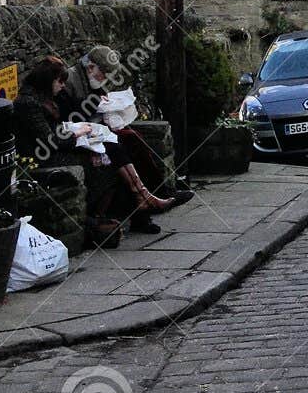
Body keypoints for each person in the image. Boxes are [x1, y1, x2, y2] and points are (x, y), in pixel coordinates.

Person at [14, 56, 135, 248]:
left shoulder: (41, 98)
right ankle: (95, 220)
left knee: (108, 155)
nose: (62, 86)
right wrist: (77, 133)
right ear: (48, 80)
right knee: (102, 163)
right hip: (41, 158)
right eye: (60, 81)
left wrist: (76, 132)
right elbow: (49, 141)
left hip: (50, 151)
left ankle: (99, 217)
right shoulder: (29, 103)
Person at [67, 45, 192, 222]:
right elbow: (71, 116)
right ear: (91, 67)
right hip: (87, 136)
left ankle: (154, 198)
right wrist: (95, 104)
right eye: (103, 74)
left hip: (100, 130)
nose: (104, 79)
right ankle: (148, 203)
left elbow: (97, 101)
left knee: (133, 139)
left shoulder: (91, 79)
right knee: (123, 146)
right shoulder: (72, 79)